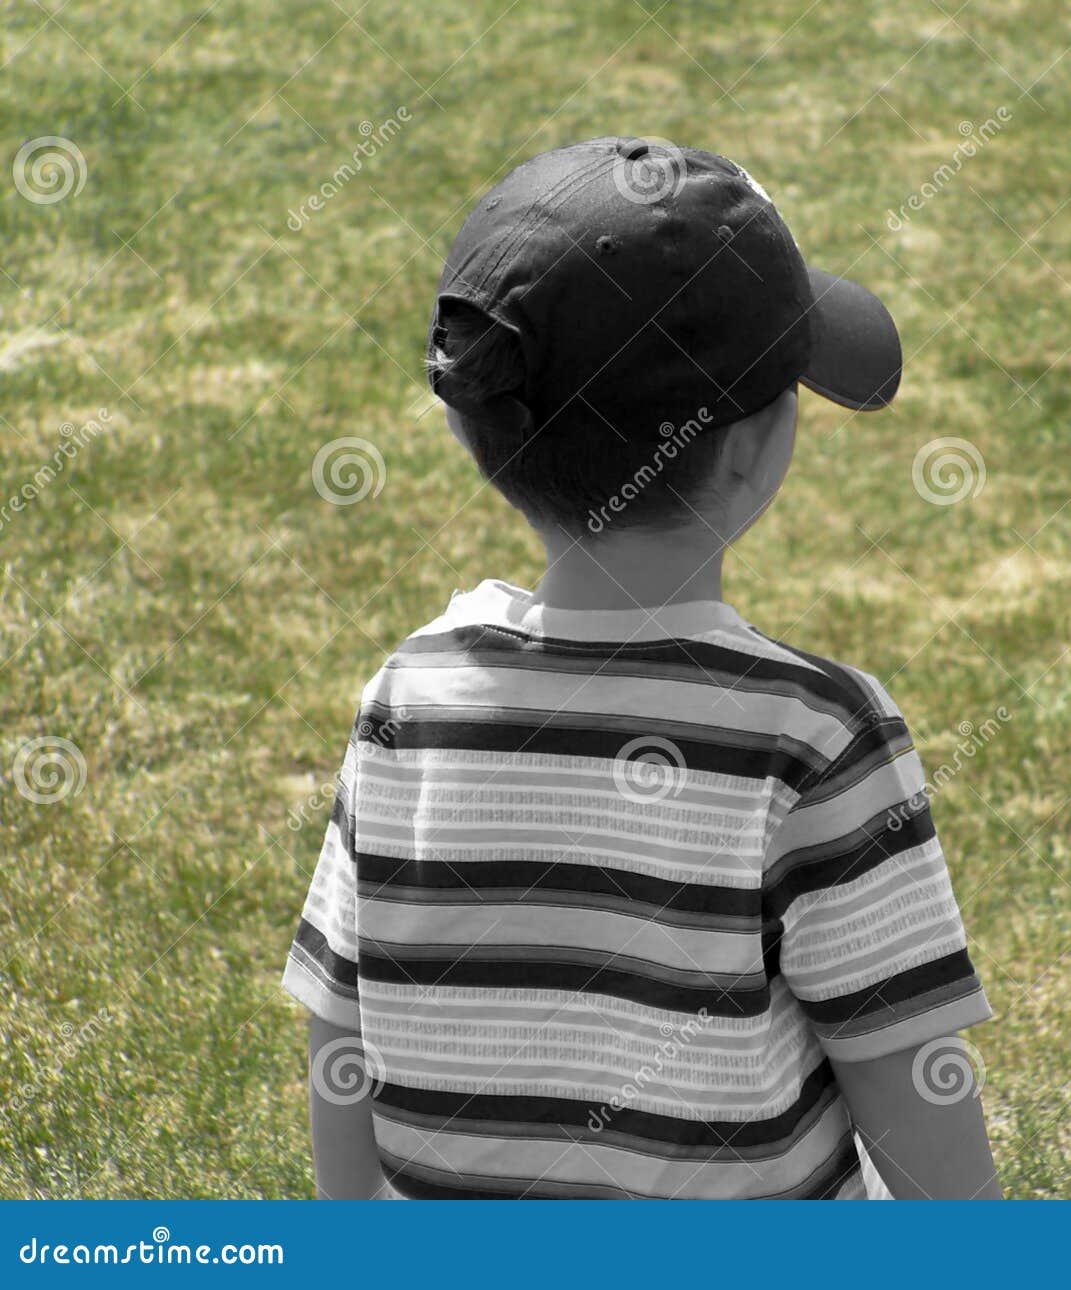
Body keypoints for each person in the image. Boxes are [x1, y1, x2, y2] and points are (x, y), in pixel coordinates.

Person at [280, 137, 999, 1199]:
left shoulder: (407, 702)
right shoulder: (814, 740)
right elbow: (914, 1108)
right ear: (754, 450)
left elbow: (339, 1040)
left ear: (478, 433)